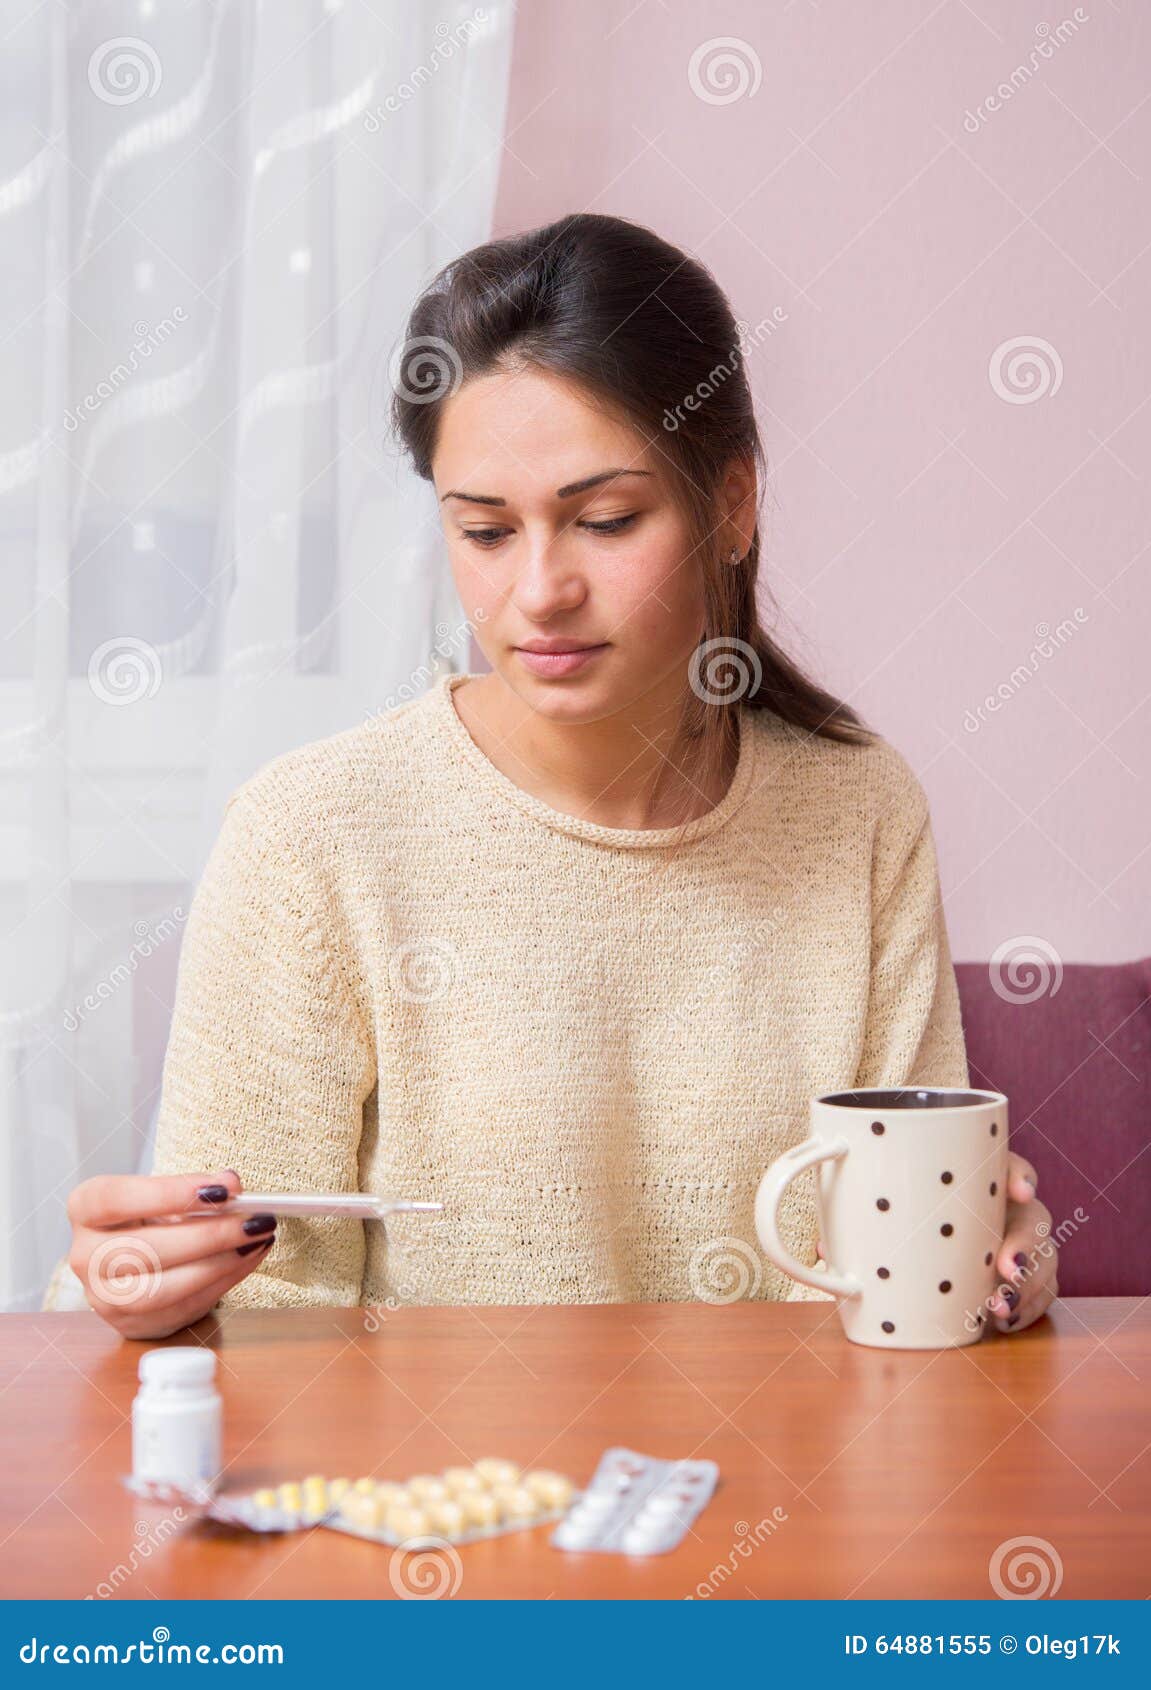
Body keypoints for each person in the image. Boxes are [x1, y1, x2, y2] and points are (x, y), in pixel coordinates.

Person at [56, 213, 1058, 1340]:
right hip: (432, 1457)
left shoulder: (857, 810)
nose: (539, 592)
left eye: (605, 520)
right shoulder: (311, 835)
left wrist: (979, 1257)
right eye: (485, 533)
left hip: (785, 1451)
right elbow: (257, 1310)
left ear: (731, 505)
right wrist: (151, 1294)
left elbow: (893, 1275)